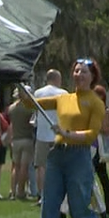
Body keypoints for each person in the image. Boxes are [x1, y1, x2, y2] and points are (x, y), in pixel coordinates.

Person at [24, 57, 109, 218]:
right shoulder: (63, 98)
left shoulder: (95, 102)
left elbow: (91, 134)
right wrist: (23, 95)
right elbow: (33, 104)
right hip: (57, 156)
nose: (78, 75)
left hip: (79, 157)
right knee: (49, 209)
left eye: (83, 72)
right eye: (76, 71)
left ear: (92, 76)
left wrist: (67, 133)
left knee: (78, 210)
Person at [32, 70, 67, 203]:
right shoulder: (63, 94)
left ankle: (42, 195)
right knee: (59, 166)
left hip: (41, 134)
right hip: (58, 134)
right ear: (57, 79)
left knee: (41, 166)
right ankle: (57, 194)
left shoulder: (38, 93)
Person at [92, 85, 109, 217]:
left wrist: (94, 127)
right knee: (99, 178)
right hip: (93, 146)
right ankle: (102, 207)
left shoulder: (105, 111)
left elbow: (107, 129)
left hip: (99, 148)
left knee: (101, 177)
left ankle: (108, 207)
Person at [7, 89, 36, 200]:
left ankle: (12, 191)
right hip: (27, 138)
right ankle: (21, 191)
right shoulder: (29, 108)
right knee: (24, 167)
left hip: (16, 139)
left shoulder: (11, 108)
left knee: (15, 166)